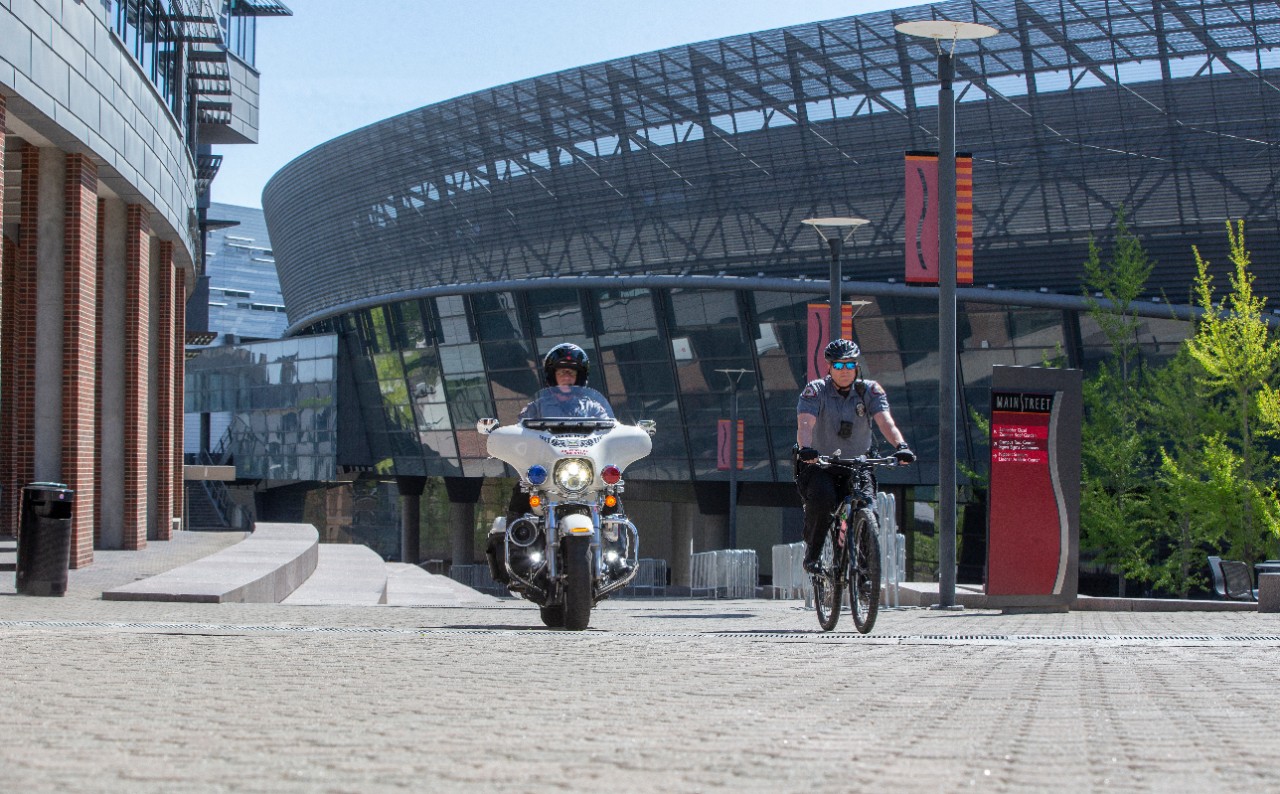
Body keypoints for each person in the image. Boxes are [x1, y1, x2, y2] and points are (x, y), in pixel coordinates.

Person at [486, 343, 613, 584]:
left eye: (572, 372)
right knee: (522, 490)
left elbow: (610, 429)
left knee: (612, 496)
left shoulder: (594, 408)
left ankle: (616, 546)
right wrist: (508, 436)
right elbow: (520, 428)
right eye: (562, 371)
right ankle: (517, 544)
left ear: (580, 377)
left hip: (583, 472)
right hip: (549, 474)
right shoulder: (537, 407)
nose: (567, 376)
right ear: (552, 375)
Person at [795, 338, 915, 574]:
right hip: (822, 464)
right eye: (838, 366)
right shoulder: (815, 391)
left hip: (858, 464)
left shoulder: (869, 391)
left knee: (869, 510)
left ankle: (865, 575)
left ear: (857, 367)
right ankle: (813, 554)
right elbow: (805, 424)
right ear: (829, 367)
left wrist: (901, 445)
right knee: (822, 500)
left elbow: (885, 421)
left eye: (850, 365)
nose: (844, 371)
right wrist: (806, 448)